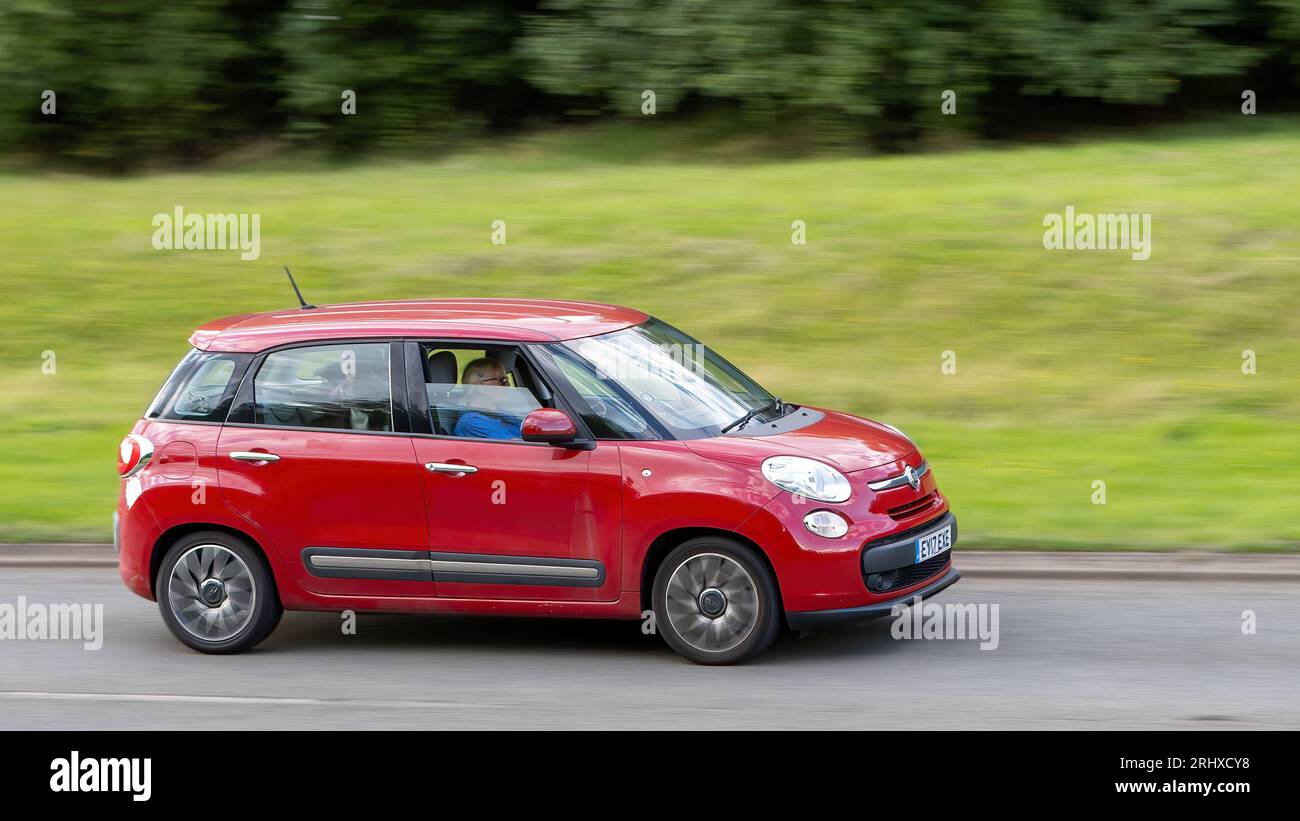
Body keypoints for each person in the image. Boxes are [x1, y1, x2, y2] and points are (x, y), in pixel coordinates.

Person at [454, 357, 524, 439]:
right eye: (502, 380)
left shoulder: (501, 412)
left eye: (506, 379)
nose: (508, 385)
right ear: (481, 387)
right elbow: (516, 446)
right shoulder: (472, 422)